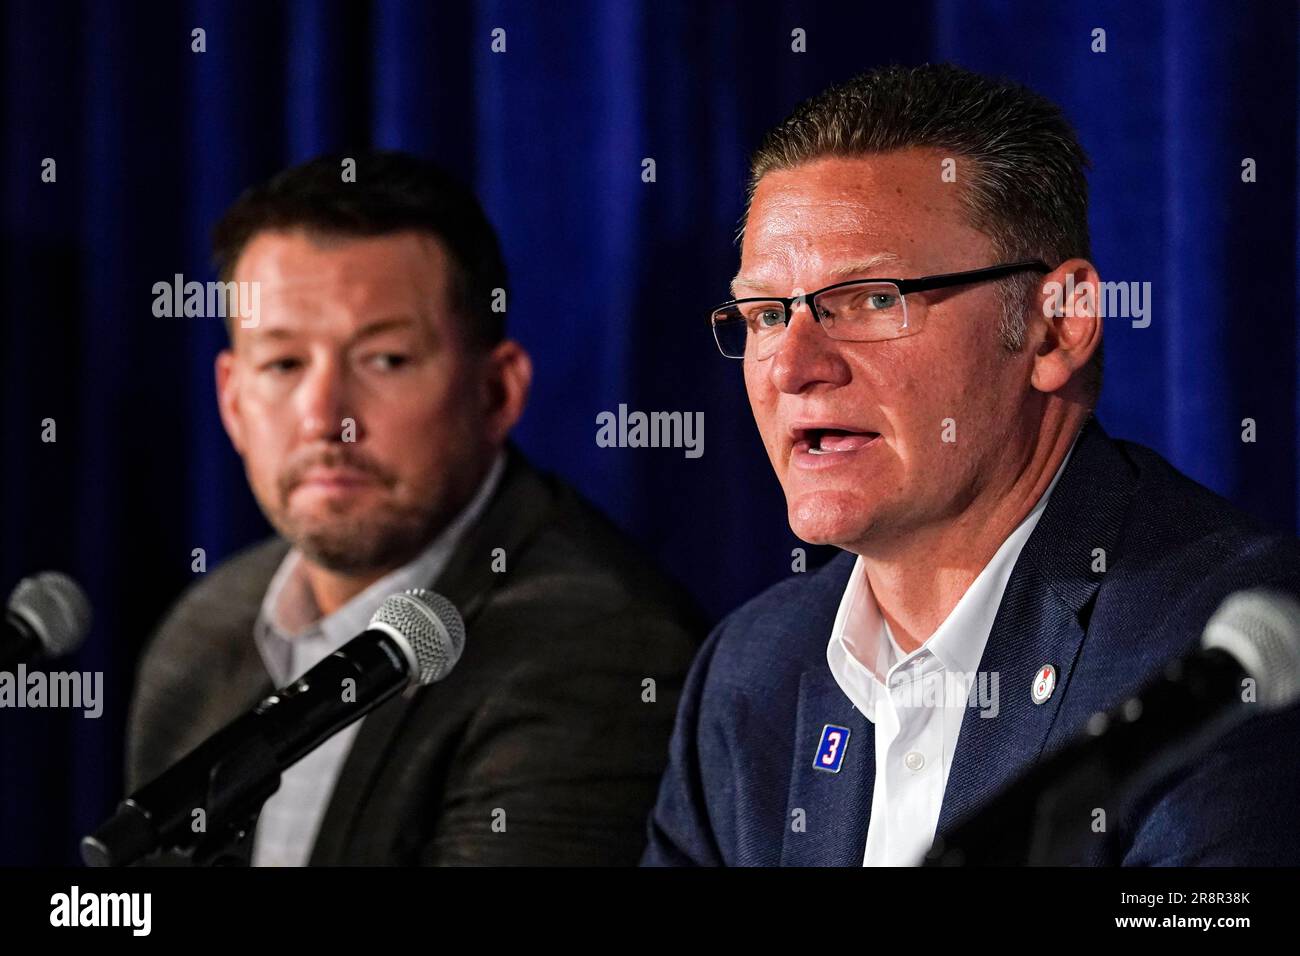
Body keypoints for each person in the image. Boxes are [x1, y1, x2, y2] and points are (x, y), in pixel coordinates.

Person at [644, 64, 1300, 866]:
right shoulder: (752, 674)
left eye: (873, 298)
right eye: (768, 313)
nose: (792, 365)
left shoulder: (1223, 660)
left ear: (1056, 328)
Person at [127, 151, 705, 866]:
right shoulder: (204, 630)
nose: (323, 417)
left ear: (496, 392)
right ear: (232, 401)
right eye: (282, 364)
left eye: (385, 360)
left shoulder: (600, 648)